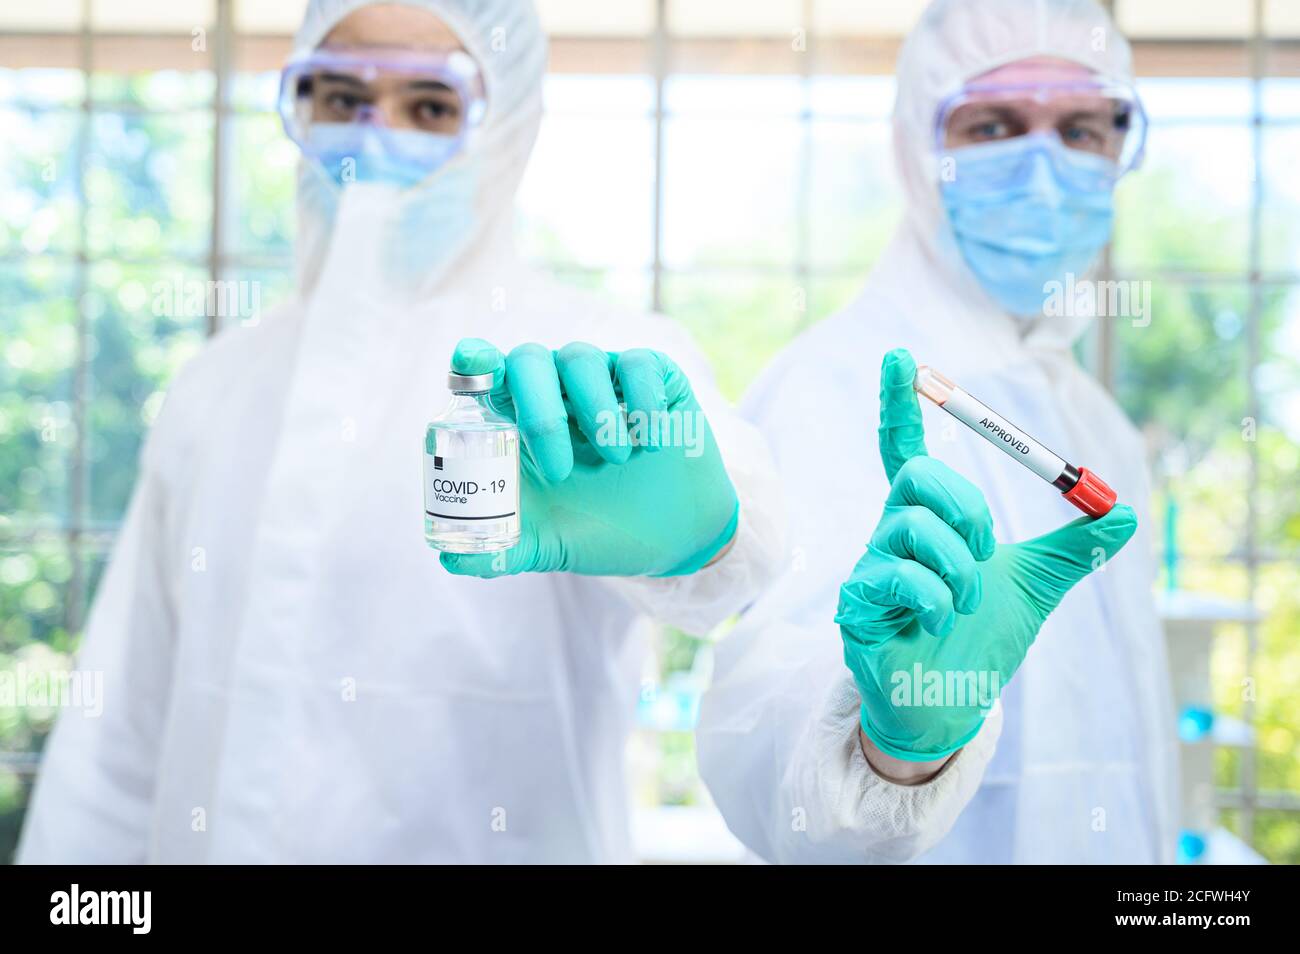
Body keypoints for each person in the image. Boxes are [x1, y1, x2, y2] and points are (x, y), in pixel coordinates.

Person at [17, 0, 787, 863]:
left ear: (505, 129)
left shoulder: (597, 360)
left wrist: (704, 535)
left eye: (429, 107)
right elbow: (120, 730)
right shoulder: (215, 387)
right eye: (341, 99)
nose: (376, 137)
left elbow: (750, 569)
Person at [697, 0, 1179, 863]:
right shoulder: (836, 384)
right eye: (993, 126)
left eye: (1081, 129)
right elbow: (760, 741)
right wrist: (895, 744)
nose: (1042, 170)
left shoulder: (1089, 418)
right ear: (920, 154)